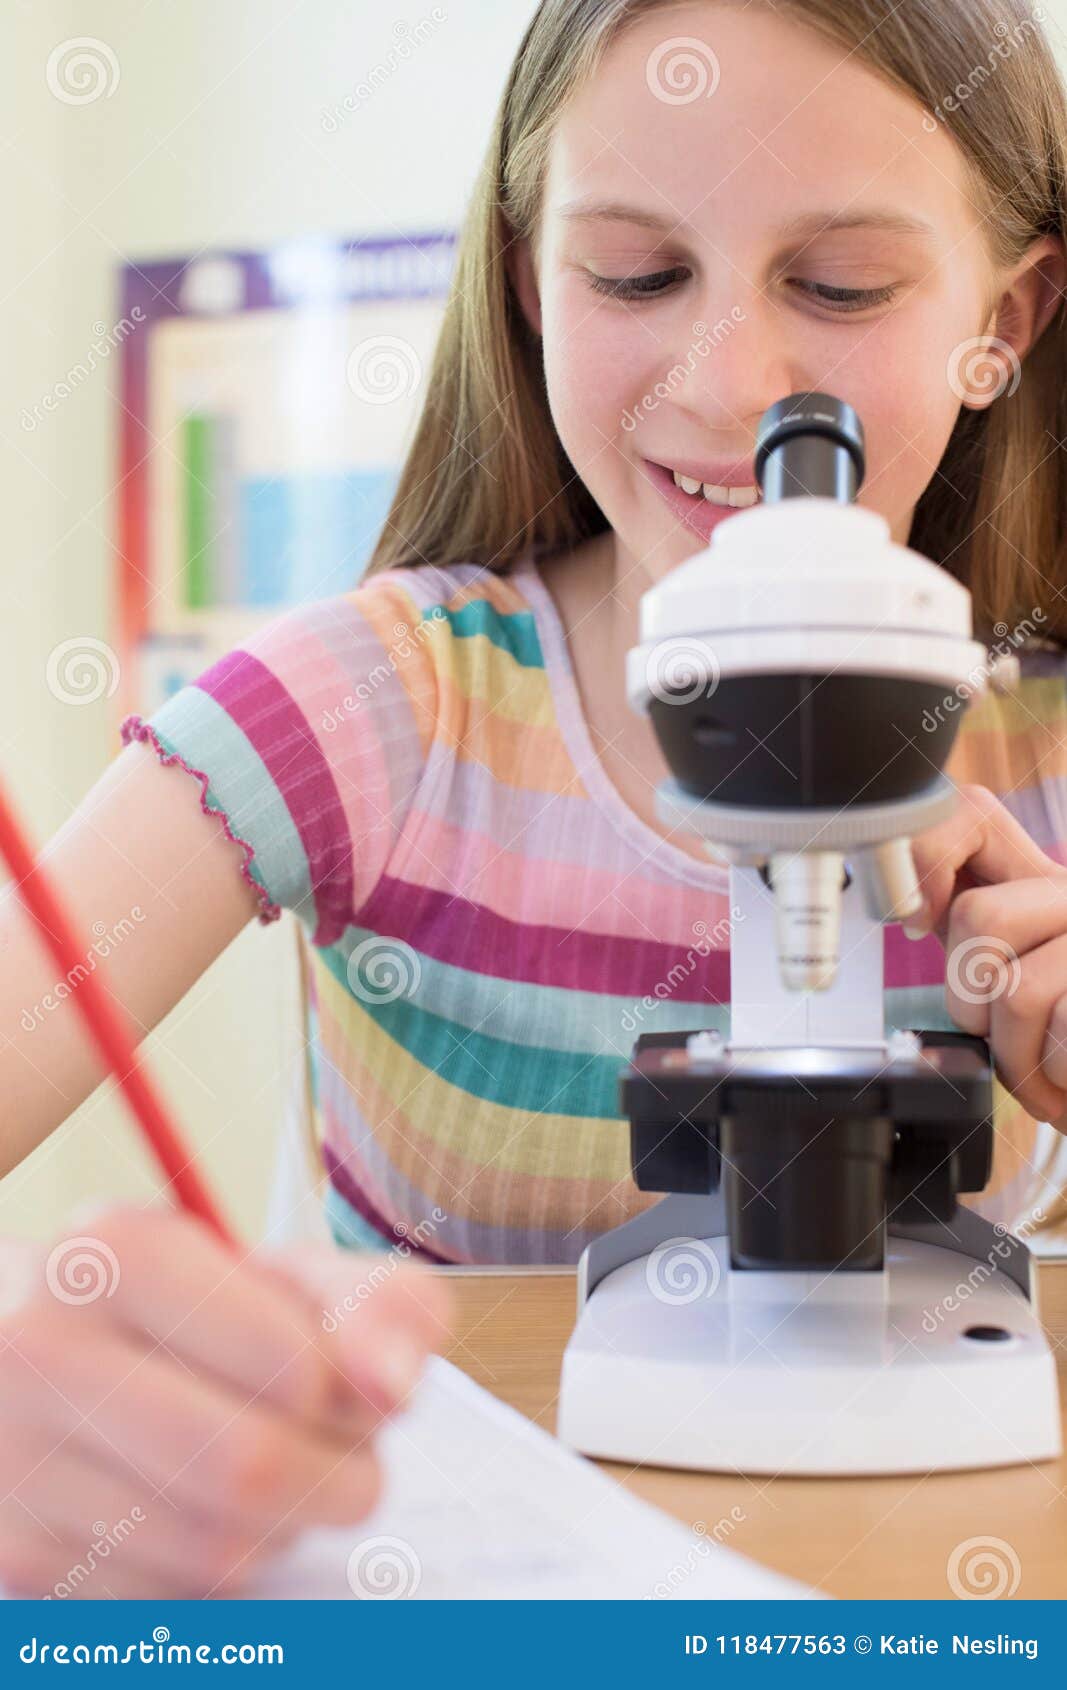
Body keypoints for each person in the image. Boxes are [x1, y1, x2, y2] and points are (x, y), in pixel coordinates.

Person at [3, 0, 1067, 1595]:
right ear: (527, 283)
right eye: (637, 274)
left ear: (1010, 315)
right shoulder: (377, 706)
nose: (727, 384)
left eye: (839, 285)